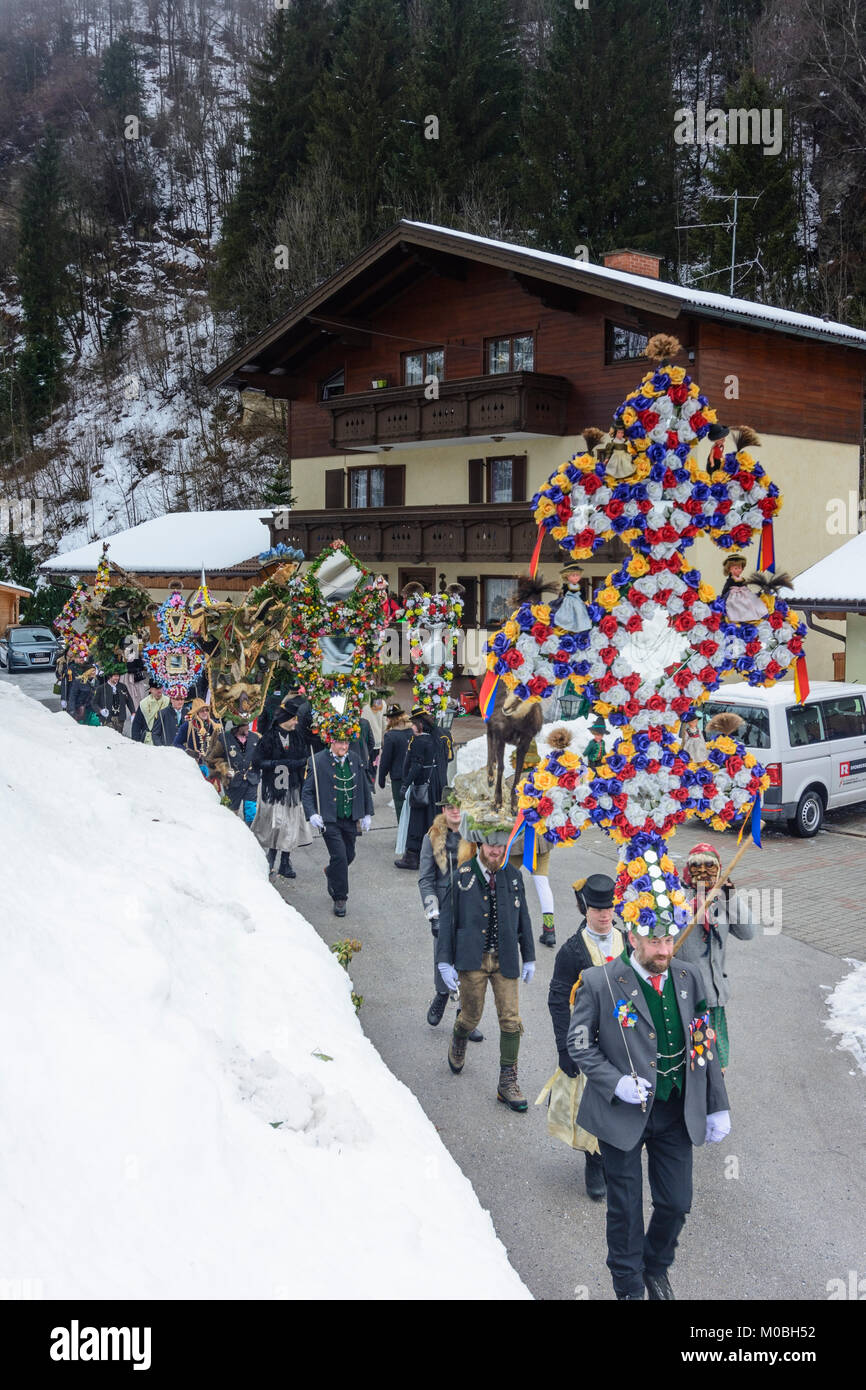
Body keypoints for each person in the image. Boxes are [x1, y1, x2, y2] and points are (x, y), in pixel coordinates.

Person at [567, 902, 731, 1300]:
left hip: (675, 1109)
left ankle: (655, 1267)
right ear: (633, 939)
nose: (665, 950)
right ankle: (628, 1289)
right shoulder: (599, 981)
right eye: (655, 942)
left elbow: (703, 1044)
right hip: (622, 1114)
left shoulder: (689, 976)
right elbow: (578, 1043)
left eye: (670, 939)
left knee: (676, 1204)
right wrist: (615, 1082)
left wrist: (717, 1103)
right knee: (625, 1211)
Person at [436, 815, 535, 1111]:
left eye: (502, 846)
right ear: (480, 844)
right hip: (472, 960)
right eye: (492, 846)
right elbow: (447, 923)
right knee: (471, 1016)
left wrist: (528, 956)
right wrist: (445, 962)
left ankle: (507, 1081)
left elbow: (524, 920)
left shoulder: (513, 877)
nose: (497, 852)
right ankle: (459, 1036)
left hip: (504, 959)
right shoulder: (462, 876)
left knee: (511, 1020)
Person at [547, 875, 625, 1201]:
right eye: (597, 909)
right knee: (592, 1103)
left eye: (608, 908)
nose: (604, 915)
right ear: (586, 909)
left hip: (625, 1039)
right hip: (589, 1041)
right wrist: (565, 1048)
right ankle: (594, 1161)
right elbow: (557, 999)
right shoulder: (572, 951)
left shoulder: (628, 941)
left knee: (622, 1101)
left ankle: (615, 1156)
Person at [675, 842, 755, 1069]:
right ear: (687, 870)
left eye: (709, 866)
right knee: (693, 1062)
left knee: (716, 1063)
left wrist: (731, 898)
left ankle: (714, 1100)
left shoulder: (722, 899)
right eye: (696, 866)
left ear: (719, 869)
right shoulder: (678, 899)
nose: (702, 871)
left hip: (714, 997)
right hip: (686, 997)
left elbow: (748, 933)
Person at [417, 788, 482, 1041]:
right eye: (450, 807)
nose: (455, 810)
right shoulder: (432, 837)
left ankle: (464, 1016)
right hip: (444, 907)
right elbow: (425, 879)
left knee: (470, 963)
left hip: (472, 906)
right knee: (442, 956)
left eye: (460, 806)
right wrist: (433, 913)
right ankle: (442, 995)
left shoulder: (476, 836)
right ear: (444, 810)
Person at [301, 726, 373, 917]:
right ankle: (340, 898)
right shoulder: (316, 761)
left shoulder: (355, 759)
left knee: (349, 855)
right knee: (340, 856)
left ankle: (331, 871)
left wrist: (367, 812)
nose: (344, 746)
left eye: (346, 742)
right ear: (331, 742)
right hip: (329, 819)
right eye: (340, 742)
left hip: (349, 818)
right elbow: (307, 792)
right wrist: (312, 813)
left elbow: (364, 786)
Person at [252, 698, 311, 880]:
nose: (296, 722)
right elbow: (258, 761)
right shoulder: (269, 737)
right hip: (273, 787)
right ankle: (271, 855)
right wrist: (277, 764)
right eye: (293, 719)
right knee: (274, 822)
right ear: (284, 719)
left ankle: (286, 860)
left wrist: (293, 765)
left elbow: (305, 758)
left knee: (289, 823)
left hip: (292, 787)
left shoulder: (297, 736)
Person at [394, 707, 442, 871]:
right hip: (434, 783)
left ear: (420, 725)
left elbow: (416, 766)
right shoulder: (436, 739)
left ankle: (412, 857)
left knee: (417, 820)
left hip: (422, 784)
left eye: (414, 724)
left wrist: (405, 784)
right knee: (432, 818)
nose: (412, 727)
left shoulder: (419, 741)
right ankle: (434, 856)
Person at [218, 718, 261, 826]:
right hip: (233, 782)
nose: (247, 727)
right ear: (236, 726)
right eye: (244, 725)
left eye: (248, 724)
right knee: (231, 814)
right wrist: (225, 769)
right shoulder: (224, 737)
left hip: (251, 779)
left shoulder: (255, 737)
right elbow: (214, 759)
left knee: (251, 811)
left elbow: (261, 757)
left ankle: (249, 834)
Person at [378, 702, 413, 823]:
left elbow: (386, 759)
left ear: (392, 719)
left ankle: (403, 837)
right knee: (413, 807)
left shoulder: (391, 736)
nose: (386, 720)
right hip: (413, 775)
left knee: (400, 807)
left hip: (398, 777)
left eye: (388, 717)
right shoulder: (412, 731)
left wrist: (381, 777)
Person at [720, 553, 766, 624]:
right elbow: (726, 588)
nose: (739, 570)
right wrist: (723, 596)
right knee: (735, 606)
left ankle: (751, 616)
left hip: (744, 594)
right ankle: (737, 618)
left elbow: (746, 587)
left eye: (740, 568)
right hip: (734, 596)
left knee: (750, 603)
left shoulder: (743, 579)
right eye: (736, 568)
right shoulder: (730, 580)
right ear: (729, 570)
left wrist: (751, 594)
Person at [550, 559, 591, 633]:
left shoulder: (581, 588)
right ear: (566, 576)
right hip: (567, 604)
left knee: (579, 615)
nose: (576, 577)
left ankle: (578, 628)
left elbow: (583, 597)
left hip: (578, 604)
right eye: (573, 575)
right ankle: (566, 627)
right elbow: (562, 595)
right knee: (567, 616)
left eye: (577, 575)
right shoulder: (566, 586)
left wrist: (586, 602)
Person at [131, 681, 171, 745]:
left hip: (164, 738)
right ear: (151, 690)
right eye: (156, 689)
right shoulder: (143, 704)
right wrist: (136, 742)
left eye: (160, 688)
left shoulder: (168, 701)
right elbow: (137, 725)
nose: (159, 691)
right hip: (148, 738)